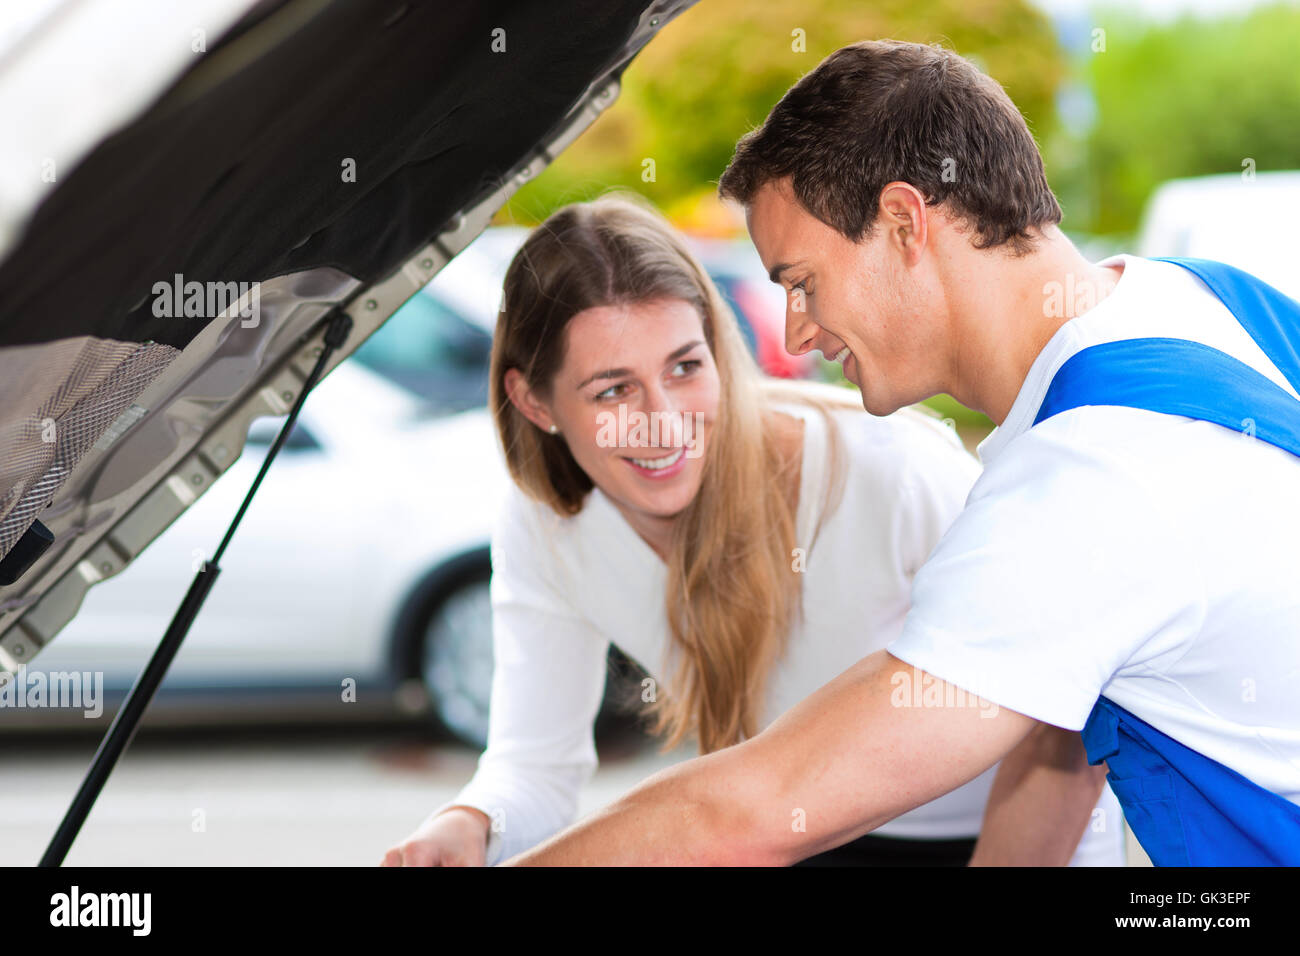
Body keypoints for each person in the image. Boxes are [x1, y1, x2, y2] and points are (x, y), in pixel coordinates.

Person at [501, 40, 1300, 867]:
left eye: (802, 282)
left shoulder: (1081, 484)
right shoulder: (1206, 297)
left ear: (903, 222)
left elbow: (756, 810)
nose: (797, 331)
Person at [381, 192, 1124, 867]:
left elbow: (1069, 725)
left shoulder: (884, 471)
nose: (664, 423)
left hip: (1000, 840)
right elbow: (534, 767)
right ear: (534, 402)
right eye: (612, 389)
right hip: (786, 834)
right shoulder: (546, 526)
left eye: (683, 367)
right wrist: (471, 820)